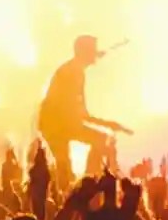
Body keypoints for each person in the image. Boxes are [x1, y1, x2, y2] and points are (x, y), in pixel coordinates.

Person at [37, 35, 129, 188]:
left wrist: (106, 124)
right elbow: (81, 114)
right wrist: (107, 124)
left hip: (57, 123)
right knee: (66, 164)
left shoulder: (72, 68)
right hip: (57, 125)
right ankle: (88, 183)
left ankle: (83, 184)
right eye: (92, 50)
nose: (95, 54)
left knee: (65, 165)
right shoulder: (74, 73)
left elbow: (80, 114)